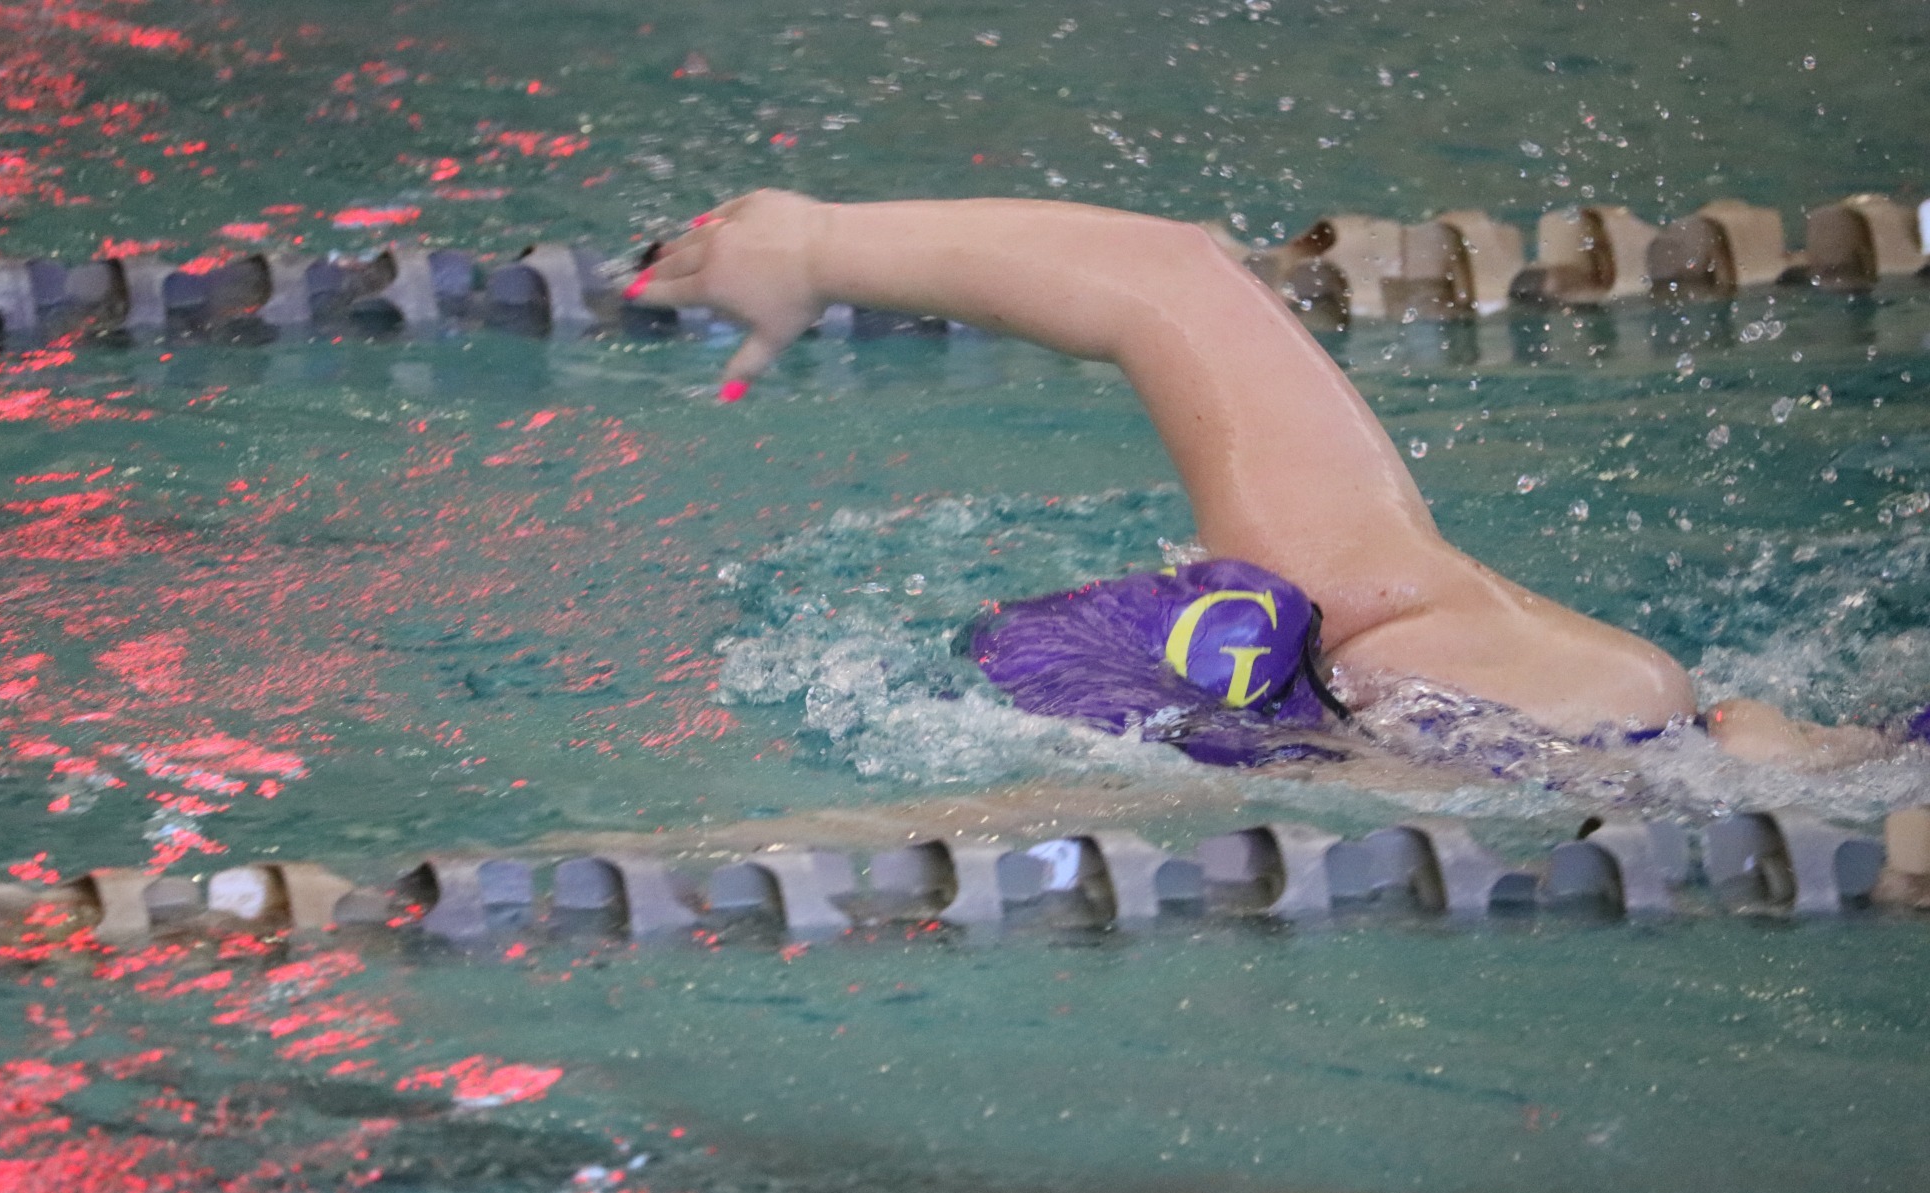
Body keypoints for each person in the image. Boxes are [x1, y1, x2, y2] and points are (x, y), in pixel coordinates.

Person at [625, 190, 1891, 770]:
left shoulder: (1418, 640)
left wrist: (817, 242)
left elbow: (1170, 280)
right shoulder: (1446, 655)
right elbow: (1169, 282)